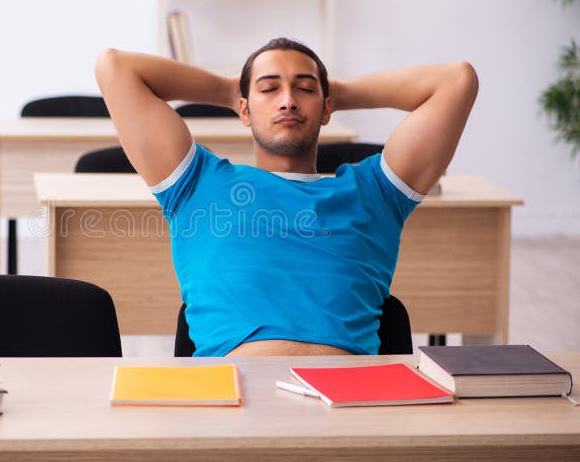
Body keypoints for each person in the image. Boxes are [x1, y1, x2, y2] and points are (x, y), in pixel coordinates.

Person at [94, 37, 478, 357]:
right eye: (268, 88)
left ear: (326, 107)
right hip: (233, 407)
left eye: (305, 89)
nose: (288, 100)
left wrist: (335, 91)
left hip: (352, 410)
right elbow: (116, 68)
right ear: (244, 108)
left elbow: (456, 81)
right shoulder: (196, 183)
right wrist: (231, 90)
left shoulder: (374, 193)